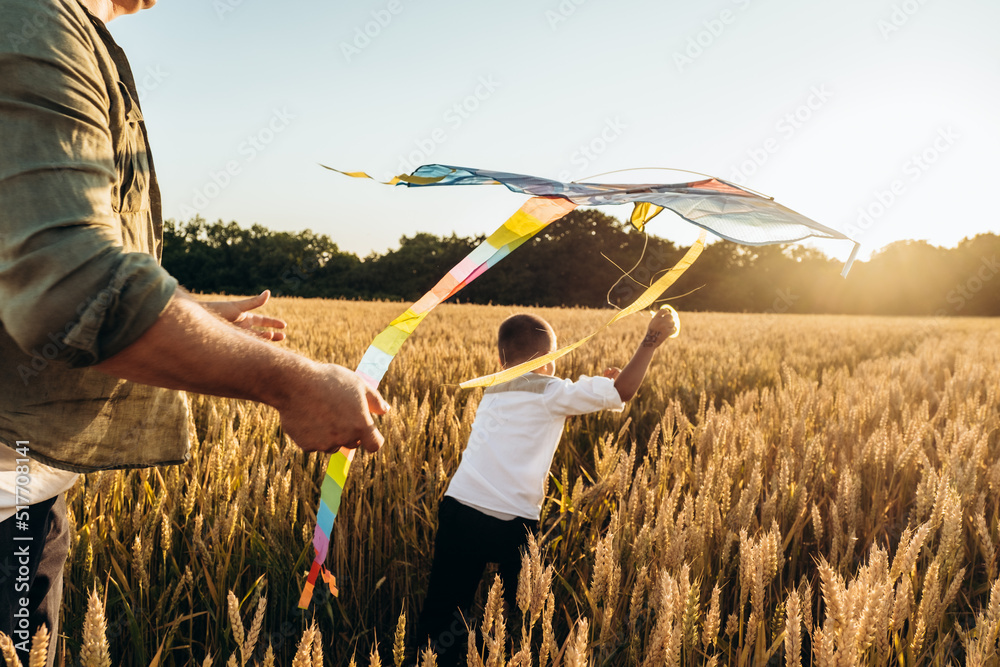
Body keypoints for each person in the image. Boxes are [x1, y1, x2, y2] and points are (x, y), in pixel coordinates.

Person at [0, 0, 388, 664]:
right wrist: (291, 382)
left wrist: (193, 315)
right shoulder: (34, 20)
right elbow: (71, 284)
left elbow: (31, 265)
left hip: (27, 495)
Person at [415, 309, 677, 665]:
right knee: (521, 615)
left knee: (443, 610)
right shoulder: (552, 391)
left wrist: (598, 390)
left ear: (499, 359)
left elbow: (537, 411)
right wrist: (652, 341)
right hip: (512, 523)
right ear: (547, 361)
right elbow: (624, 391)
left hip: (460, 508)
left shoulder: (493, 388)